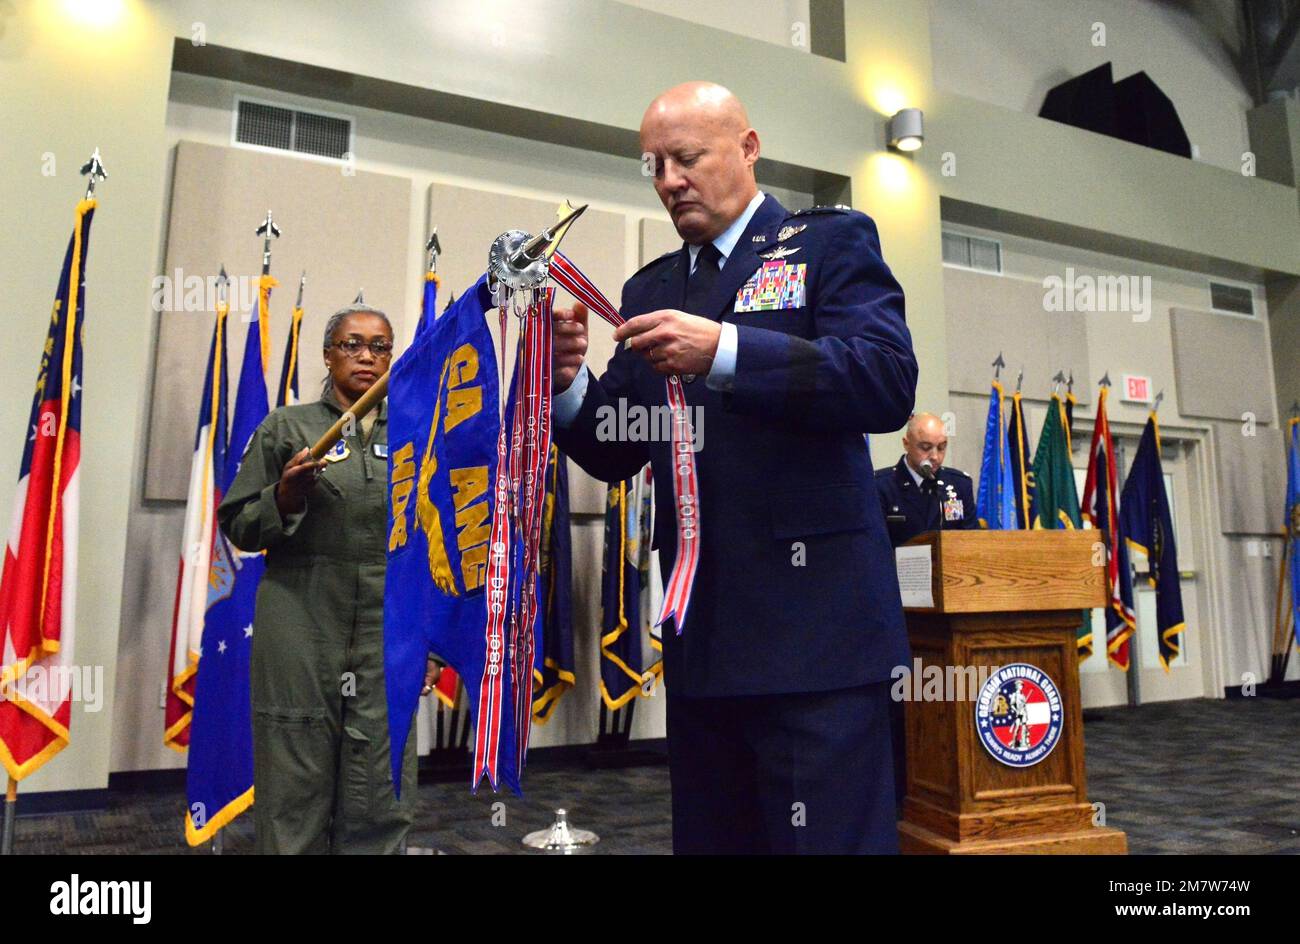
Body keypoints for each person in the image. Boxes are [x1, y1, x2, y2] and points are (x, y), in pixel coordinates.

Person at [551, 81, 917, 853]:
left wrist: (725, 351)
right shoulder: (652, 286)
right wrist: (565, 383)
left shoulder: (830, 241)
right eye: (654, 165)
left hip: (815, 640)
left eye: (687, 158)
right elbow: (615, 445)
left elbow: (884, 379)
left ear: (748, 149)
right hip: (704, 639)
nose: (669, 180)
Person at [218, 302, 439, 854]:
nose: (367, 356)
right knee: (296, 770)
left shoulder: (417, 430)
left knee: (381, 776)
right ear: (327, 354)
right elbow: (239, 524)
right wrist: (284, 496)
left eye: (380, 346)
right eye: (352, 344)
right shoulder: (287, 427)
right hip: (301, 616)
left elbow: (433, 542)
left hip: (386, 625)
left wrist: (428, 641)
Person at [874, 411, 978, 546]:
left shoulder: (959, 484)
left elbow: (972, 540)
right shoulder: (881, 486)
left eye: (941, 448)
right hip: (902, 565)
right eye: (925, 448)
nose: (934, 456)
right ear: (906, 444)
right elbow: (876, 545)